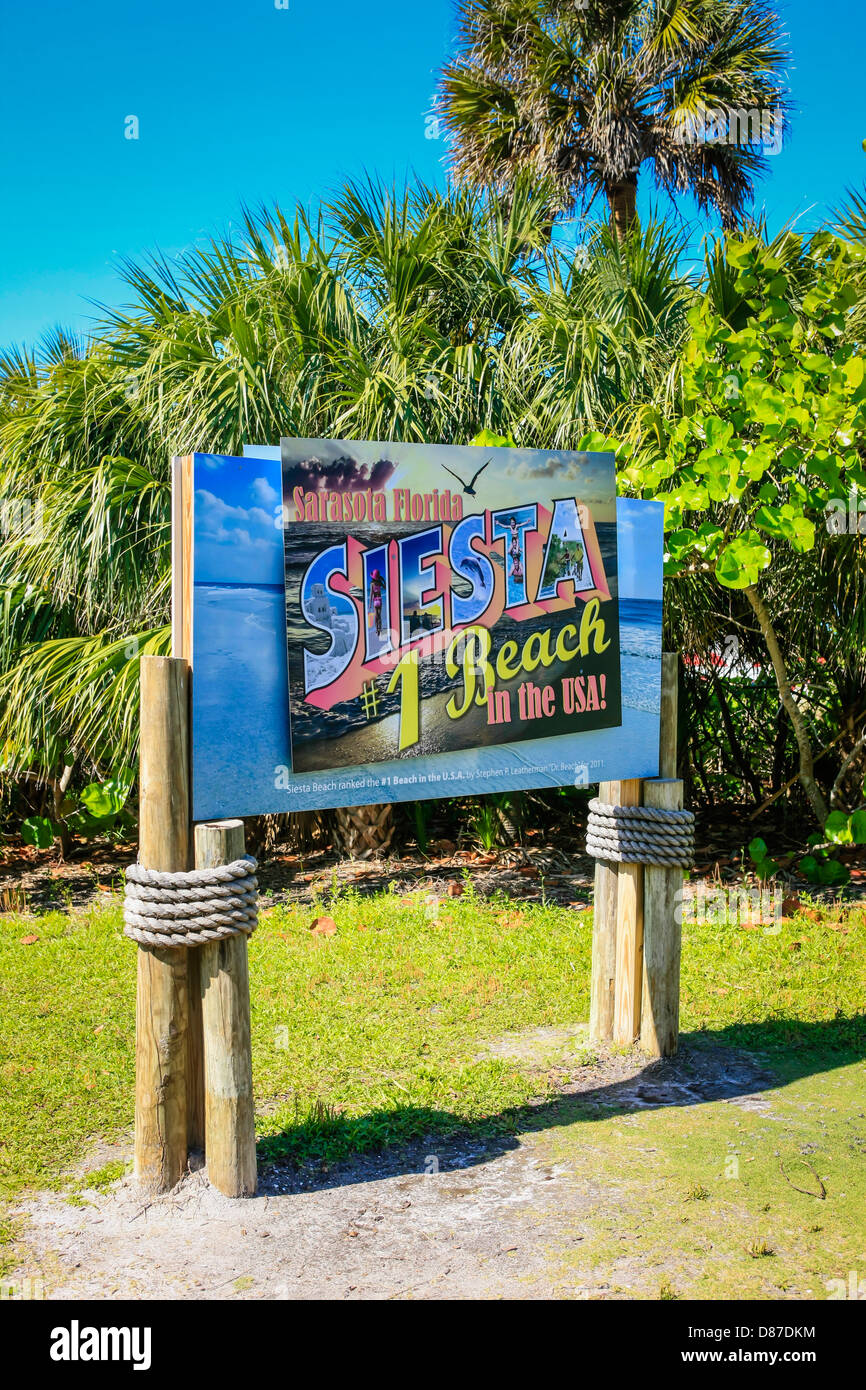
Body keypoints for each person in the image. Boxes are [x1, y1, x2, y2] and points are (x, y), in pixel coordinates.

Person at [369, 568, 386, 637]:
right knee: (378, 616)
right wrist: (383, 581)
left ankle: (378, 629)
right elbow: (384, 588)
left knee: (377, 616)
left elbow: (371, 594)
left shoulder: (374, 583)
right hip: (378, 599)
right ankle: (379, 629)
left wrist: (370, 604)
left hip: (377, 599)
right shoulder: (376, 583)